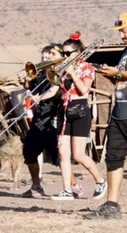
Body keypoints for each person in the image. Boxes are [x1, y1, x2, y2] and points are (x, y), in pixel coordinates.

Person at [92, 12, 127, 219]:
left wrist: (117, 73)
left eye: (124, 31)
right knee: (114, 159)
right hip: (120, 115)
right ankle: (111, 205)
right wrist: (111, 72)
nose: (121, 36)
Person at [54, 35, 104, 200]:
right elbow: (61, 92)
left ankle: (100, 180)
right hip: (65, 111)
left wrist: (72, 74)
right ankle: (67, 190)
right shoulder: (62, 69)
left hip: (80, 110)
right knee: (62, 152)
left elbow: (83, 90)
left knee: (78, 155)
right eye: (64, 53)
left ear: (79, 52)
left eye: (68, 53)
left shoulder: (87, 67)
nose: (65, 56)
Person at [20, 44, 63, 198]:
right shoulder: (39, 75)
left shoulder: (59, 73)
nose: (45, 60)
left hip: (52, 119)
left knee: (59, 157)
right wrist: (24, 82)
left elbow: (57, 91)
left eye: (49, 56)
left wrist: (41, 97)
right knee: (29, 152)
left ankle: (74, 186)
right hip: (38, 119)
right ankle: (36, 186)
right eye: (43, 58)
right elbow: (31, 89)